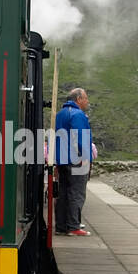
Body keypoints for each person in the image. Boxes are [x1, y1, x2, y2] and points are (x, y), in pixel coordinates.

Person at [54, 88, 92, 235]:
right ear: (78, 99)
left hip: (62, 159)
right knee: (77, 192)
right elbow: (80, 138)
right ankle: (73, 226)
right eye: (85, 98)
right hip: (76, 159)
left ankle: (61, 226)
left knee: (63, 193)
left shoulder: (60, 114)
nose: (87, 101)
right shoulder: (78, 114)